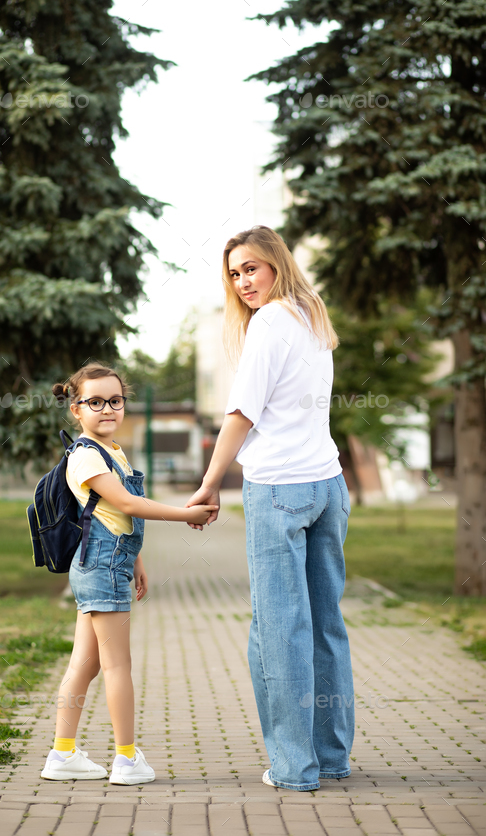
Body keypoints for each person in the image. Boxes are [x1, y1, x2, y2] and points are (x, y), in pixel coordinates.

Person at [186, 226, 355, 792]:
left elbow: (241, 413)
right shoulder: (312, 313)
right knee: (325, 623)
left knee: (280, 628)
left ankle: (293, 768)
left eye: (252, 268)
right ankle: (330, 757)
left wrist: (209, 483)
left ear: (277, 264)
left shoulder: (269, 322)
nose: (243, 282)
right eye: (234, 274)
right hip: (329, 485)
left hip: (279, 488)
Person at [41, 363, 218, 785]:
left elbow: (110, 516)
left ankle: (62, 755)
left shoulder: (111, 450)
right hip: (100, 568)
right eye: (95, 401)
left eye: (115, 401)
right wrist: (187, 514)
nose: (107, 409)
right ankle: (126, 759)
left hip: (106, 563)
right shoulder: (85, 456)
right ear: (76, 409)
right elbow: (130, 505)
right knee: (118, 665)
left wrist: (136, 561)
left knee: (85, 665)